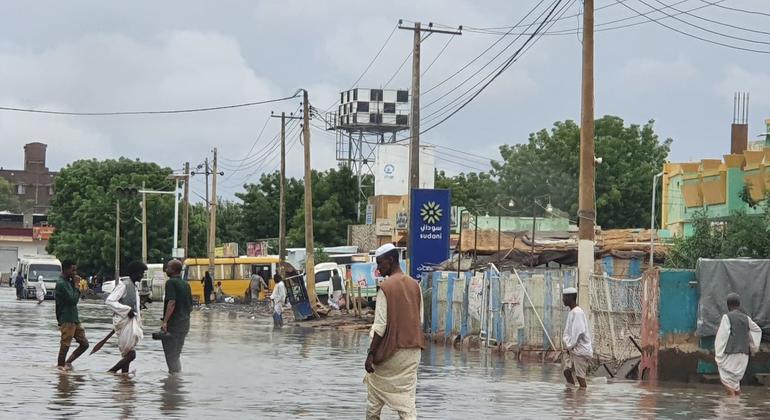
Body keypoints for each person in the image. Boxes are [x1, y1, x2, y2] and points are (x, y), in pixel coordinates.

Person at [364, 243, 424, 420]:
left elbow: (380, 327)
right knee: (407, 402)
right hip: (413, 352)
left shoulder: (386, 288)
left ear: (390, 260)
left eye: (380, 263)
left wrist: (370, 354)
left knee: (374, 399)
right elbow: (419, 320)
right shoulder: (415, 285)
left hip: (391, 353)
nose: (378, 268)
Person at [715, 292, 762, 396]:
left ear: (728, 305)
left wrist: (718, 355)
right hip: (744, 356)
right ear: (739, 304)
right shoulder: (746, 318)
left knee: (727, 382)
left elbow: (722, 337)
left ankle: (732, 406)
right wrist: (753, 347)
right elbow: (757, 330)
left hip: (730, 354)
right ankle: (738, 405)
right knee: (735, 383)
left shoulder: (727, 317)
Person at [105, 261, 146, 374]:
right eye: (141, 273)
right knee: (131, 354)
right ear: (135, 273)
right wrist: (126, 310)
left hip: (131, 323)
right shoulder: (123, 285)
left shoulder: (134, 287)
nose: (142, 276)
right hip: (123, 323)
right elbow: (109, 301)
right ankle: (111, 372)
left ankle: (124, 378)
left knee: (127, 354)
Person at [55, 260, 89, 369]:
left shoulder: (68, 281)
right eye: (72, 270)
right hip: (66, 318)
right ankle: (60, 368)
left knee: (84, 344)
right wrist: (76, 286)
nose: (75, 272)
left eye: (75, 270)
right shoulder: (61, 283)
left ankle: (68, 362)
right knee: (65, 345)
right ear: (65, 269)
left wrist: (75, 284)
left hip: (74, 318)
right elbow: (73, 300)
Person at [161, 259, 193, 374]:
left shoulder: (171, 282)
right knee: (176, 354)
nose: (166, 270)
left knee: (170, 355)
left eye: (168, 268)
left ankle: (172, 382)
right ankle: (176, 380)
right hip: (185, 324)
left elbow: (172, 303)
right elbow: (190, 307)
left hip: (174, 325)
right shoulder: (186, 284)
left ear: (173, 270)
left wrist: (165, 322)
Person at [562, 287, 593, 388]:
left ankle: (582, 397)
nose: (563, 299)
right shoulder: (572, 312)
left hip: (580, 351)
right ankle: (570, 394)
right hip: (573, 350)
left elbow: (578, 333)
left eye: (564, 297)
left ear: (570, 297)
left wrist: (569, 346)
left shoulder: (577, 312)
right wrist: (568, 347)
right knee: (567, 371)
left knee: (580, 377)